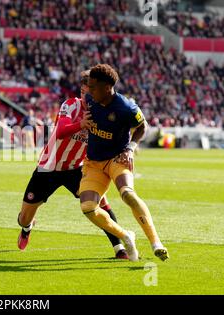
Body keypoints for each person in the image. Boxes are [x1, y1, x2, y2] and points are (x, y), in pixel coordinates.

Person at [17, 71, 129, 259]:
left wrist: (124, 152)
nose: (89, 98)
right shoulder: (70, 105)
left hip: (76, 169)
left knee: (101, 204)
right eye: (86, 93)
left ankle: (120, 248)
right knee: (23, 218)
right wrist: (82, 124)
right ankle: (27, 228)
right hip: (48, 169)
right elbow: (60, 131)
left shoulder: (103, 114)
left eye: (93, 94)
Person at [79, 64, 169, 262]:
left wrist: (130, 148)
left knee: (127, 194)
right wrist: (84, 122)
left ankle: (156, 243)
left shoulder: (126, 107)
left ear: (107, 87)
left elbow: (142, 126)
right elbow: (87, 118)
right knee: (87, 207)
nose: (89, 90)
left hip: (117, 158)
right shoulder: (90, 100)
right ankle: (125, 236)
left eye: (93, 87)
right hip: (93, 163)